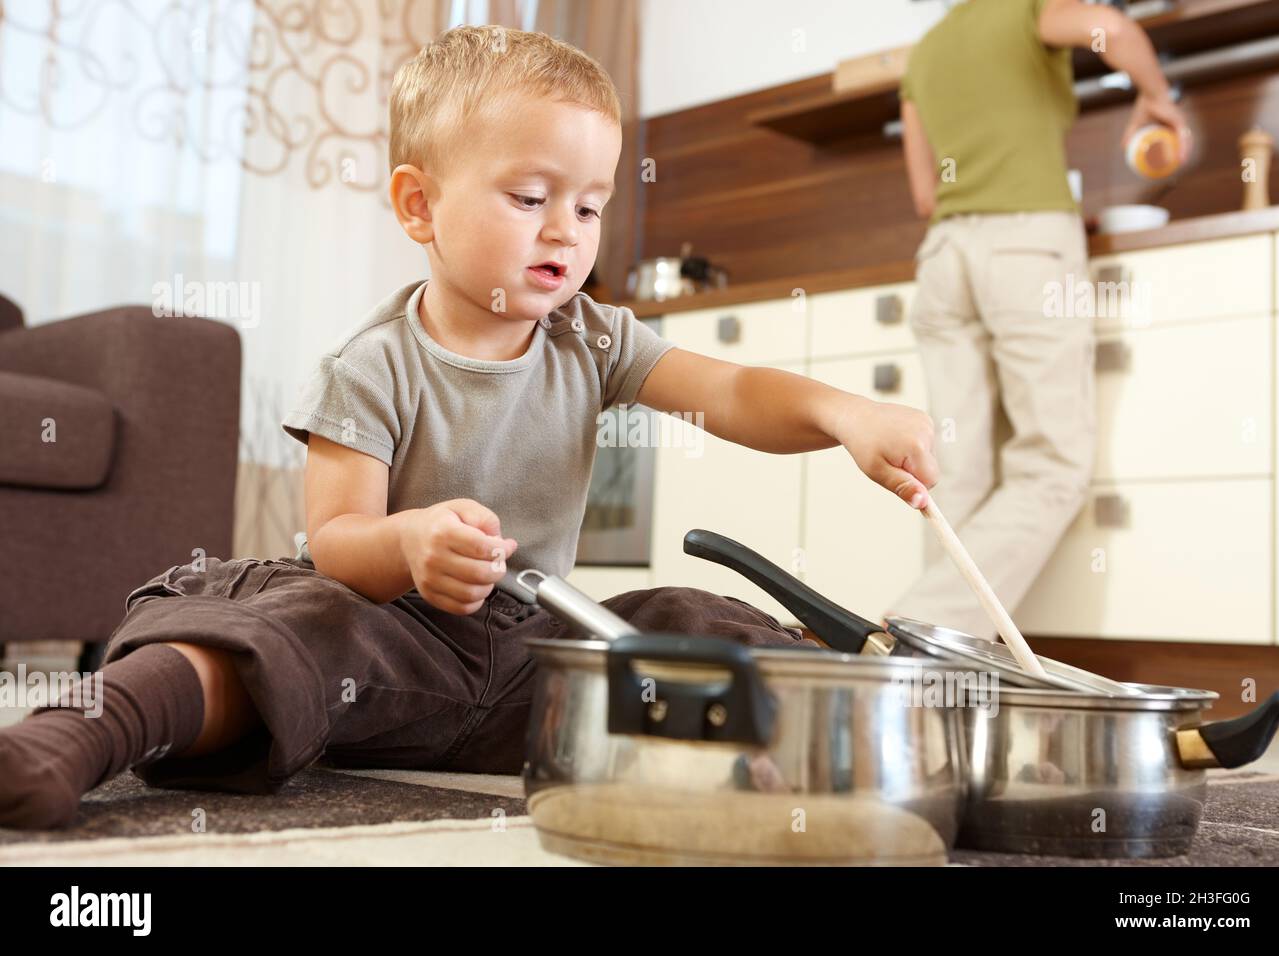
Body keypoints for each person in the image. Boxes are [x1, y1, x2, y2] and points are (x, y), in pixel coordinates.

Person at [0, 24, 939, 829]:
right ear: (420, 206)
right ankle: (75, 735)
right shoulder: (373, 365)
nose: (566, 230)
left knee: (680, 618)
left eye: (590, 206)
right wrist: (410, 544)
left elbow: (730, 391)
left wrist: (843, 413)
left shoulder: (593, 338)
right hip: (381, 641)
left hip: (532, 661)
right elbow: (335, 543)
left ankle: (873, 742)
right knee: (286, 629)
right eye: (531, 199)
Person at [887, 0, 1189, 639]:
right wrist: (1158, 97)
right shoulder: (1024, 10)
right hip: (1025, 246)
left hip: (944, 258)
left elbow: (924, 194)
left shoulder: (927, 53)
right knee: (1051, 466)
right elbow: (1117, 31)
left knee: (956, 471)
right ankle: (914, 632)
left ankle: (939, 673)